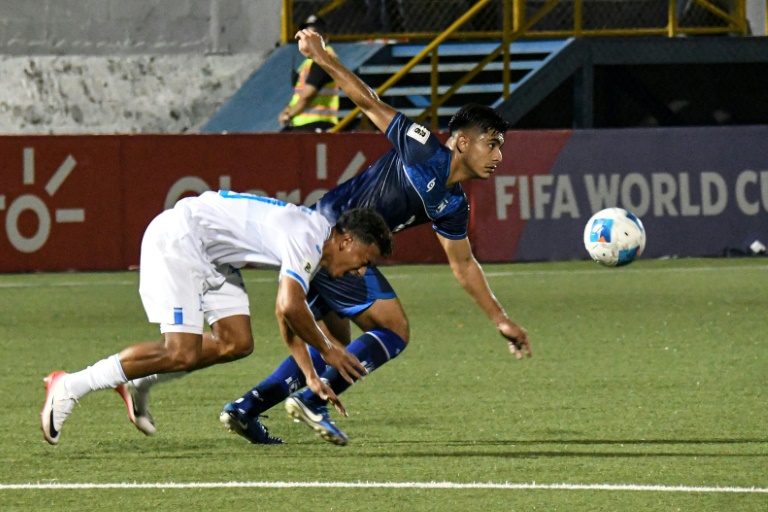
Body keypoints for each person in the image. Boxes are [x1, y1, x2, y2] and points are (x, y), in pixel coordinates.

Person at [132, 27, 532, 447]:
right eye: (492, 145)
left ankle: (248, 407)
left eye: (501, 146)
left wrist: (500, 318)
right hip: (331, 241)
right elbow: (369, 102)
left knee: (337, 338)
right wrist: (321, 56)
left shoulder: (453, 204)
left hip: (345, 252)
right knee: (393, 328)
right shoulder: (423, 150)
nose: (498, 156)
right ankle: (310, 401)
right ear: (463, 142)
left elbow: (463, 264)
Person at [40, 190, 393, 445]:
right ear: (346, 241)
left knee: (236, 343)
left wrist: (311, 375)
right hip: (181, 240)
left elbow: (286, 311)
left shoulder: (316, 240)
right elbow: (289, 307)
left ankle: (140, 378)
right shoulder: (308, 240)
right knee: (180, 352)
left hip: (213, 257)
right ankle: (70, 385)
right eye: (365, 261)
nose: (362, 272)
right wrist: (329, 351)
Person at [279, 15, 340, 132]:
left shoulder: (325, 59)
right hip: (303, 124)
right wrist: (287, 108)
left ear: (325, 37)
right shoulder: (309, 61)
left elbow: (307, 95)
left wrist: (288, 115)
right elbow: (299, 94)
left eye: (313, 36)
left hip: (317, 123)